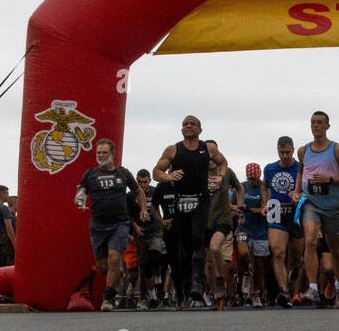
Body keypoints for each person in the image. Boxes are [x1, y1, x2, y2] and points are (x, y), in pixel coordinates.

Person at [153, 115, 228, 310]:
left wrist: (220, 177)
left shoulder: (208, 148)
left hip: (201, 199)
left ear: (200, 130)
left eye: (192, 124)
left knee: (197, 238)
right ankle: (185, 290)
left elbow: (223, 163)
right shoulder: (173, 149)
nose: (188, 126)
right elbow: (156, 172)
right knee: (184, 250)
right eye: (185, 124)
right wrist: (169, 176)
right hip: (181, 202)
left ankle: (197, 283)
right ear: (181, 129)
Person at [74, 138, 146, 312]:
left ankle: (108, 298)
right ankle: (116, 275)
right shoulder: (90, 174)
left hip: (119, 223)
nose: (101, 155)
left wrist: (143, 209)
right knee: (103, 267)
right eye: (98, 152)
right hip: (98, 225)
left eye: (104, 152)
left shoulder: (123, 173)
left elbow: (138, 192)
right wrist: (80, 197)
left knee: (114, 257)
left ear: (112, 154)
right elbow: (81, 190)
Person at [297, 111, 339, 307]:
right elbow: (301, 171)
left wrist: (330, 180)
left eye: (320, 122)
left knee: (335, 247)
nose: (316, 126)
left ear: (327, 126)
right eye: (313, 122)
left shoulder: (337, 150)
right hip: (310, 202)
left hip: (331, 206)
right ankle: (313, 288)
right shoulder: (303, 150)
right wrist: (297, 190)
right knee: (310, 240)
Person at [262, 136, 301, 308]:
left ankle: (295, 277)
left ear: (293, 150)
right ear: (277, 150)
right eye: (282, 152)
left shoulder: (300, 168)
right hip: (276, 210)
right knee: (278, 253)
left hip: (296, 213)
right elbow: (265, 186)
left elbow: (308, 189)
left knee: (297, 258)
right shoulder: (270, 169)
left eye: (288, 152)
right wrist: (265, 203)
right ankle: (284, 292)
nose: (285, 155)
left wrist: (299, 195)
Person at [203, 144, 242, 307]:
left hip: (223, 219)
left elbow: (239, 188)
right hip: (205, 220)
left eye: (213, 153)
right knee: (209, 262)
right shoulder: (199, 172)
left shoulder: (227, 172)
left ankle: (220, 278)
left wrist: (240, 207)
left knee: (215, 247)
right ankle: (216, 293)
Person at [130, 169, 167, 309]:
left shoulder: (155, 191)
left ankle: (158, 281)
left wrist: (163, 222)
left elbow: (161, 207)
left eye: (145, 182)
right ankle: (152, 297)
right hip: (141, 233)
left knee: (155, 256)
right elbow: (128, 214)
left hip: (156, 230)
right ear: (136, 180)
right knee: (145, 266)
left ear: (149, 181)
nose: (142, 185)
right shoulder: (130, 195)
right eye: (139, 182)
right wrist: (135, 227)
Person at [237, 163, 270, 308]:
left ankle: (256, 292)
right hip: (243, 228)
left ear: (259, 175)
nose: (253, 181)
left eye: (255, 178)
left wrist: (249, 209)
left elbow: (265, 208)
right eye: (250, 178)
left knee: (258, 264)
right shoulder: (242, 187)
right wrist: (237, 209)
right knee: (243, 253)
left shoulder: (264, 187)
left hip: (260, 230)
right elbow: (231, 204)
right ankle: (245, 273)